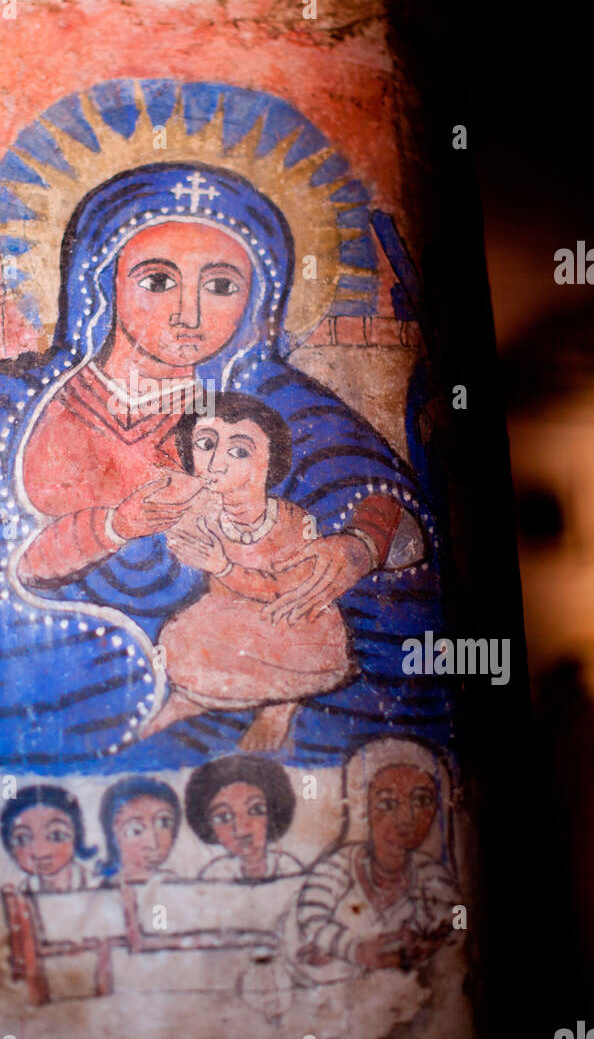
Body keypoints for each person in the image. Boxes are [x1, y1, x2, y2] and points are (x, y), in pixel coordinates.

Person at [0, 157, 444, 804]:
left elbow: (372, 490)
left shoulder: (268, 408)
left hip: (222, 759)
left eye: (222, 285)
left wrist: (354, 546)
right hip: (4, 747)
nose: (191, 313)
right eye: (159, 280)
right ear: (102, 279)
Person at [143, 392, 352, 750]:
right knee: (186, 635)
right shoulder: (202, 514)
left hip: (288, 617)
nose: (216, 462)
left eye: (239, 451)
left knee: (294, 642)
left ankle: (280, 706)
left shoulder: (292, 521)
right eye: (206, 445)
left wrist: (222, 567)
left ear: (269, 463)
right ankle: (191, 698)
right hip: (229, 619)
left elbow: (288, 589)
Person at [288, 737, 459, 982]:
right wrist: (354, 950)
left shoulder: (430, 873)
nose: (406, 818)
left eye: (422, 801)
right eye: (388, 803)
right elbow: (311, 918)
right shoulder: (339, 867)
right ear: (364, 806)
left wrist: (438, 937)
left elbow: (460, 912)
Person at [186, 756, 303, 882]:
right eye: (224, 818)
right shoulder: (214, 874)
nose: (242, 830)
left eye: (256, 810)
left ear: (273, 814)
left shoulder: (289, 867)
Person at [0, 784, 96, 893]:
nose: (41, 851)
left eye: (57, 836)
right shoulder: (25, 891)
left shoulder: (96, 887)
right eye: (23, 839)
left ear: (76, 838)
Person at [96, 776, 181, 884]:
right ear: (113, 837)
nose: (153, 844)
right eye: (135, 831)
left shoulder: (171, 881)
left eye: (164, 823)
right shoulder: (110, 889)